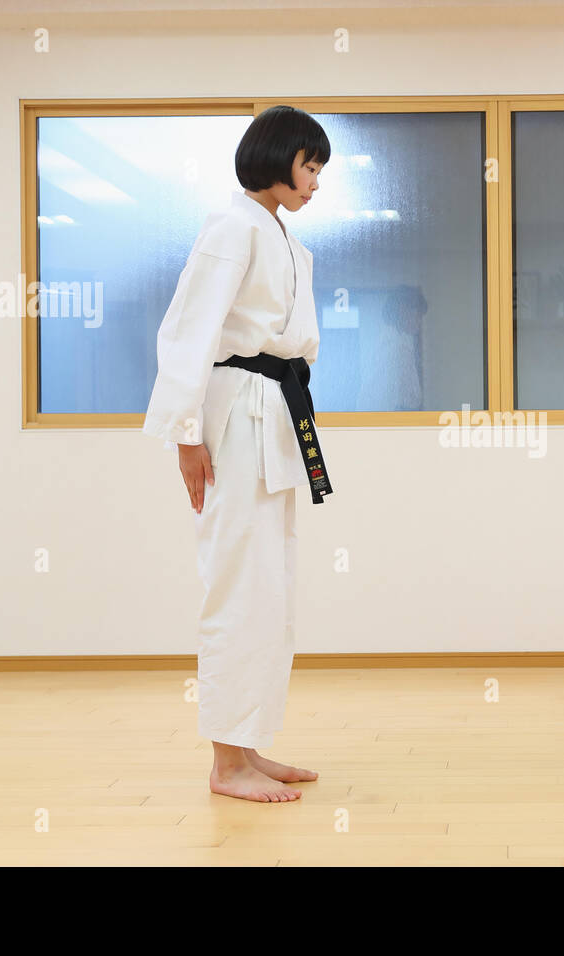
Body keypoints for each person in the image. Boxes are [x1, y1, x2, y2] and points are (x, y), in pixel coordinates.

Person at [142, 105, 332, 803]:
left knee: (268, 582)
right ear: (277, 158)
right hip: (234, 411)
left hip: (271, 412)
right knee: (235, 580)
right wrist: (185, 434)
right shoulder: (231, 227)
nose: (315, 180)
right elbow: (189, 331)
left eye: (319, 169)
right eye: (309, 165)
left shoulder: (278, 234)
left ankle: (247, 742)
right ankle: (225, 763)